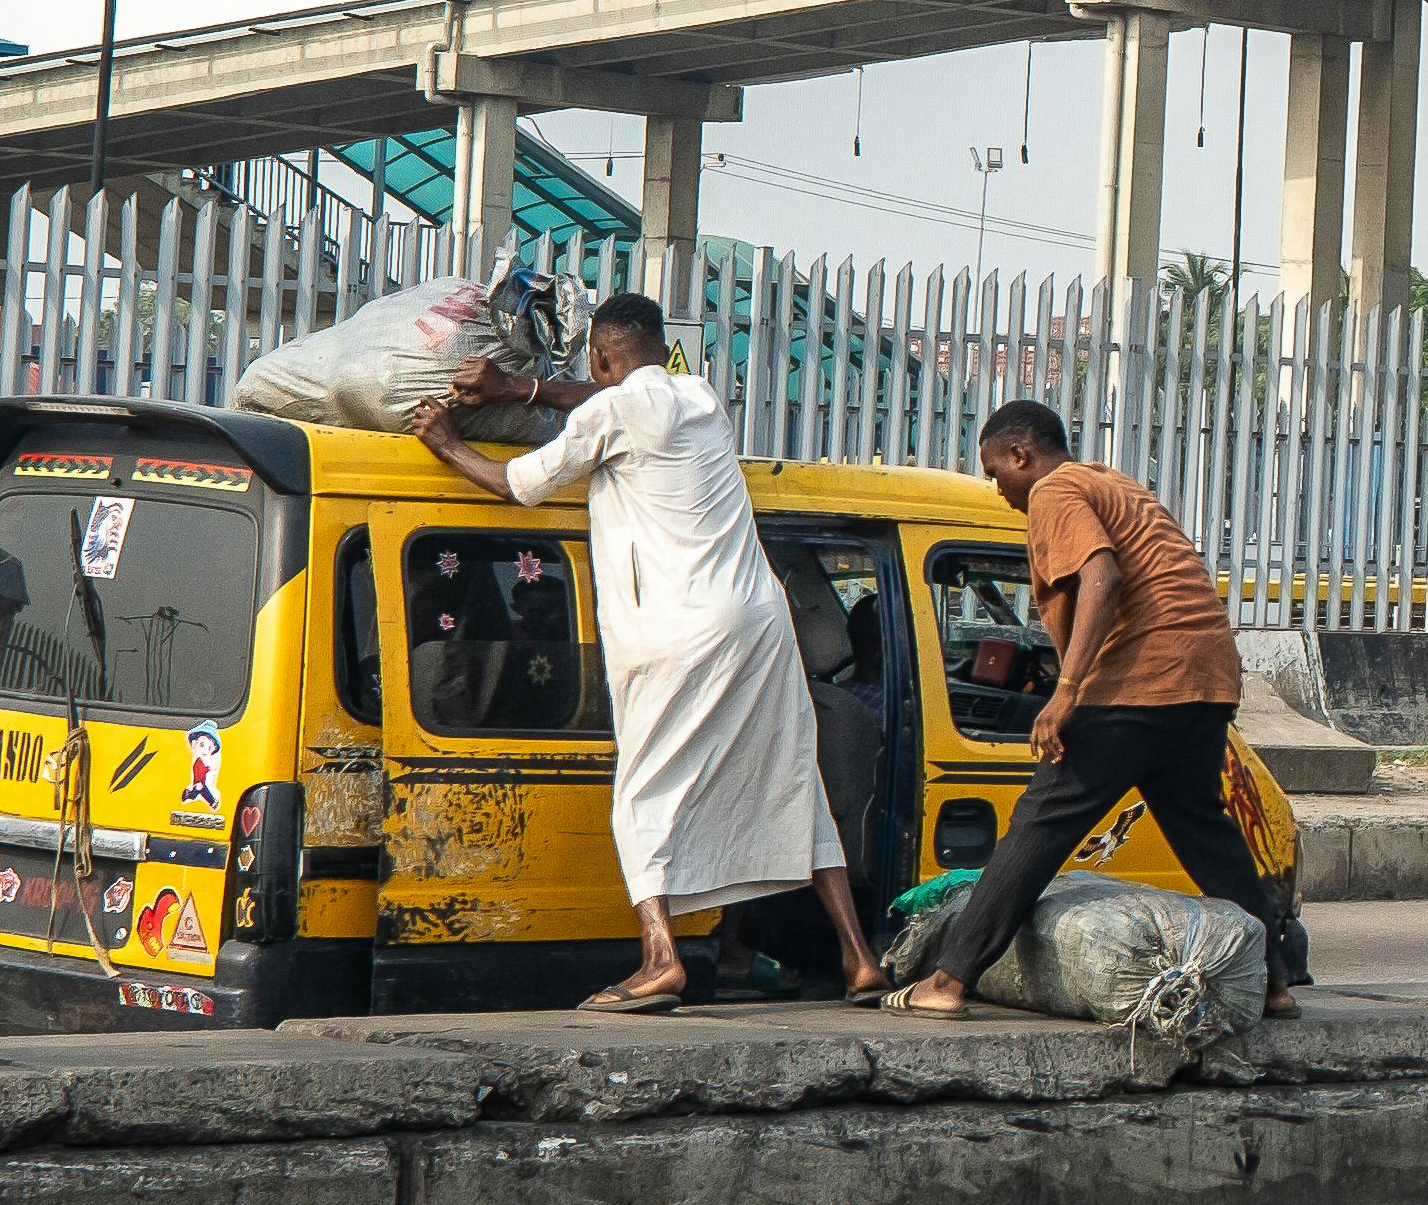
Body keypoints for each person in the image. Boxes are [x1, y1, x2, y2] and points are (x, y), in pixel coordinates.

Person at [413, 297, 881, 1008]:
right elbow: (619, 393)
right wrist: (519, 390)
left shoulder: (605, 415)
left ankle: (660, 957)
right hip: (758, 622)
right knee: (794, 782)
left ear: (601, 359)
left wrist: (446, 440)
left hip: (677, 629)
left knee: (641, 794)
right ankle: (859, 959)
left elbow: (517, 484)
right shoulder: (699, 397)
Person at [890, 401, 1307, 1011]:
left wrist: (1067, 692)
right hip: (1205, 675)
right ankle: (1272, 981)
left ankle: (949, 981)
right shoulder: (1111, 480)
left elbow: (1102, 578)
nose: (998, 488)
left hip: (1138, 680)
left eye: (995, 472)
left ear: (1020, 455)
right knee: (1204, 831)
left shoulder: (1055, 492)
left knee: (1040, 825)